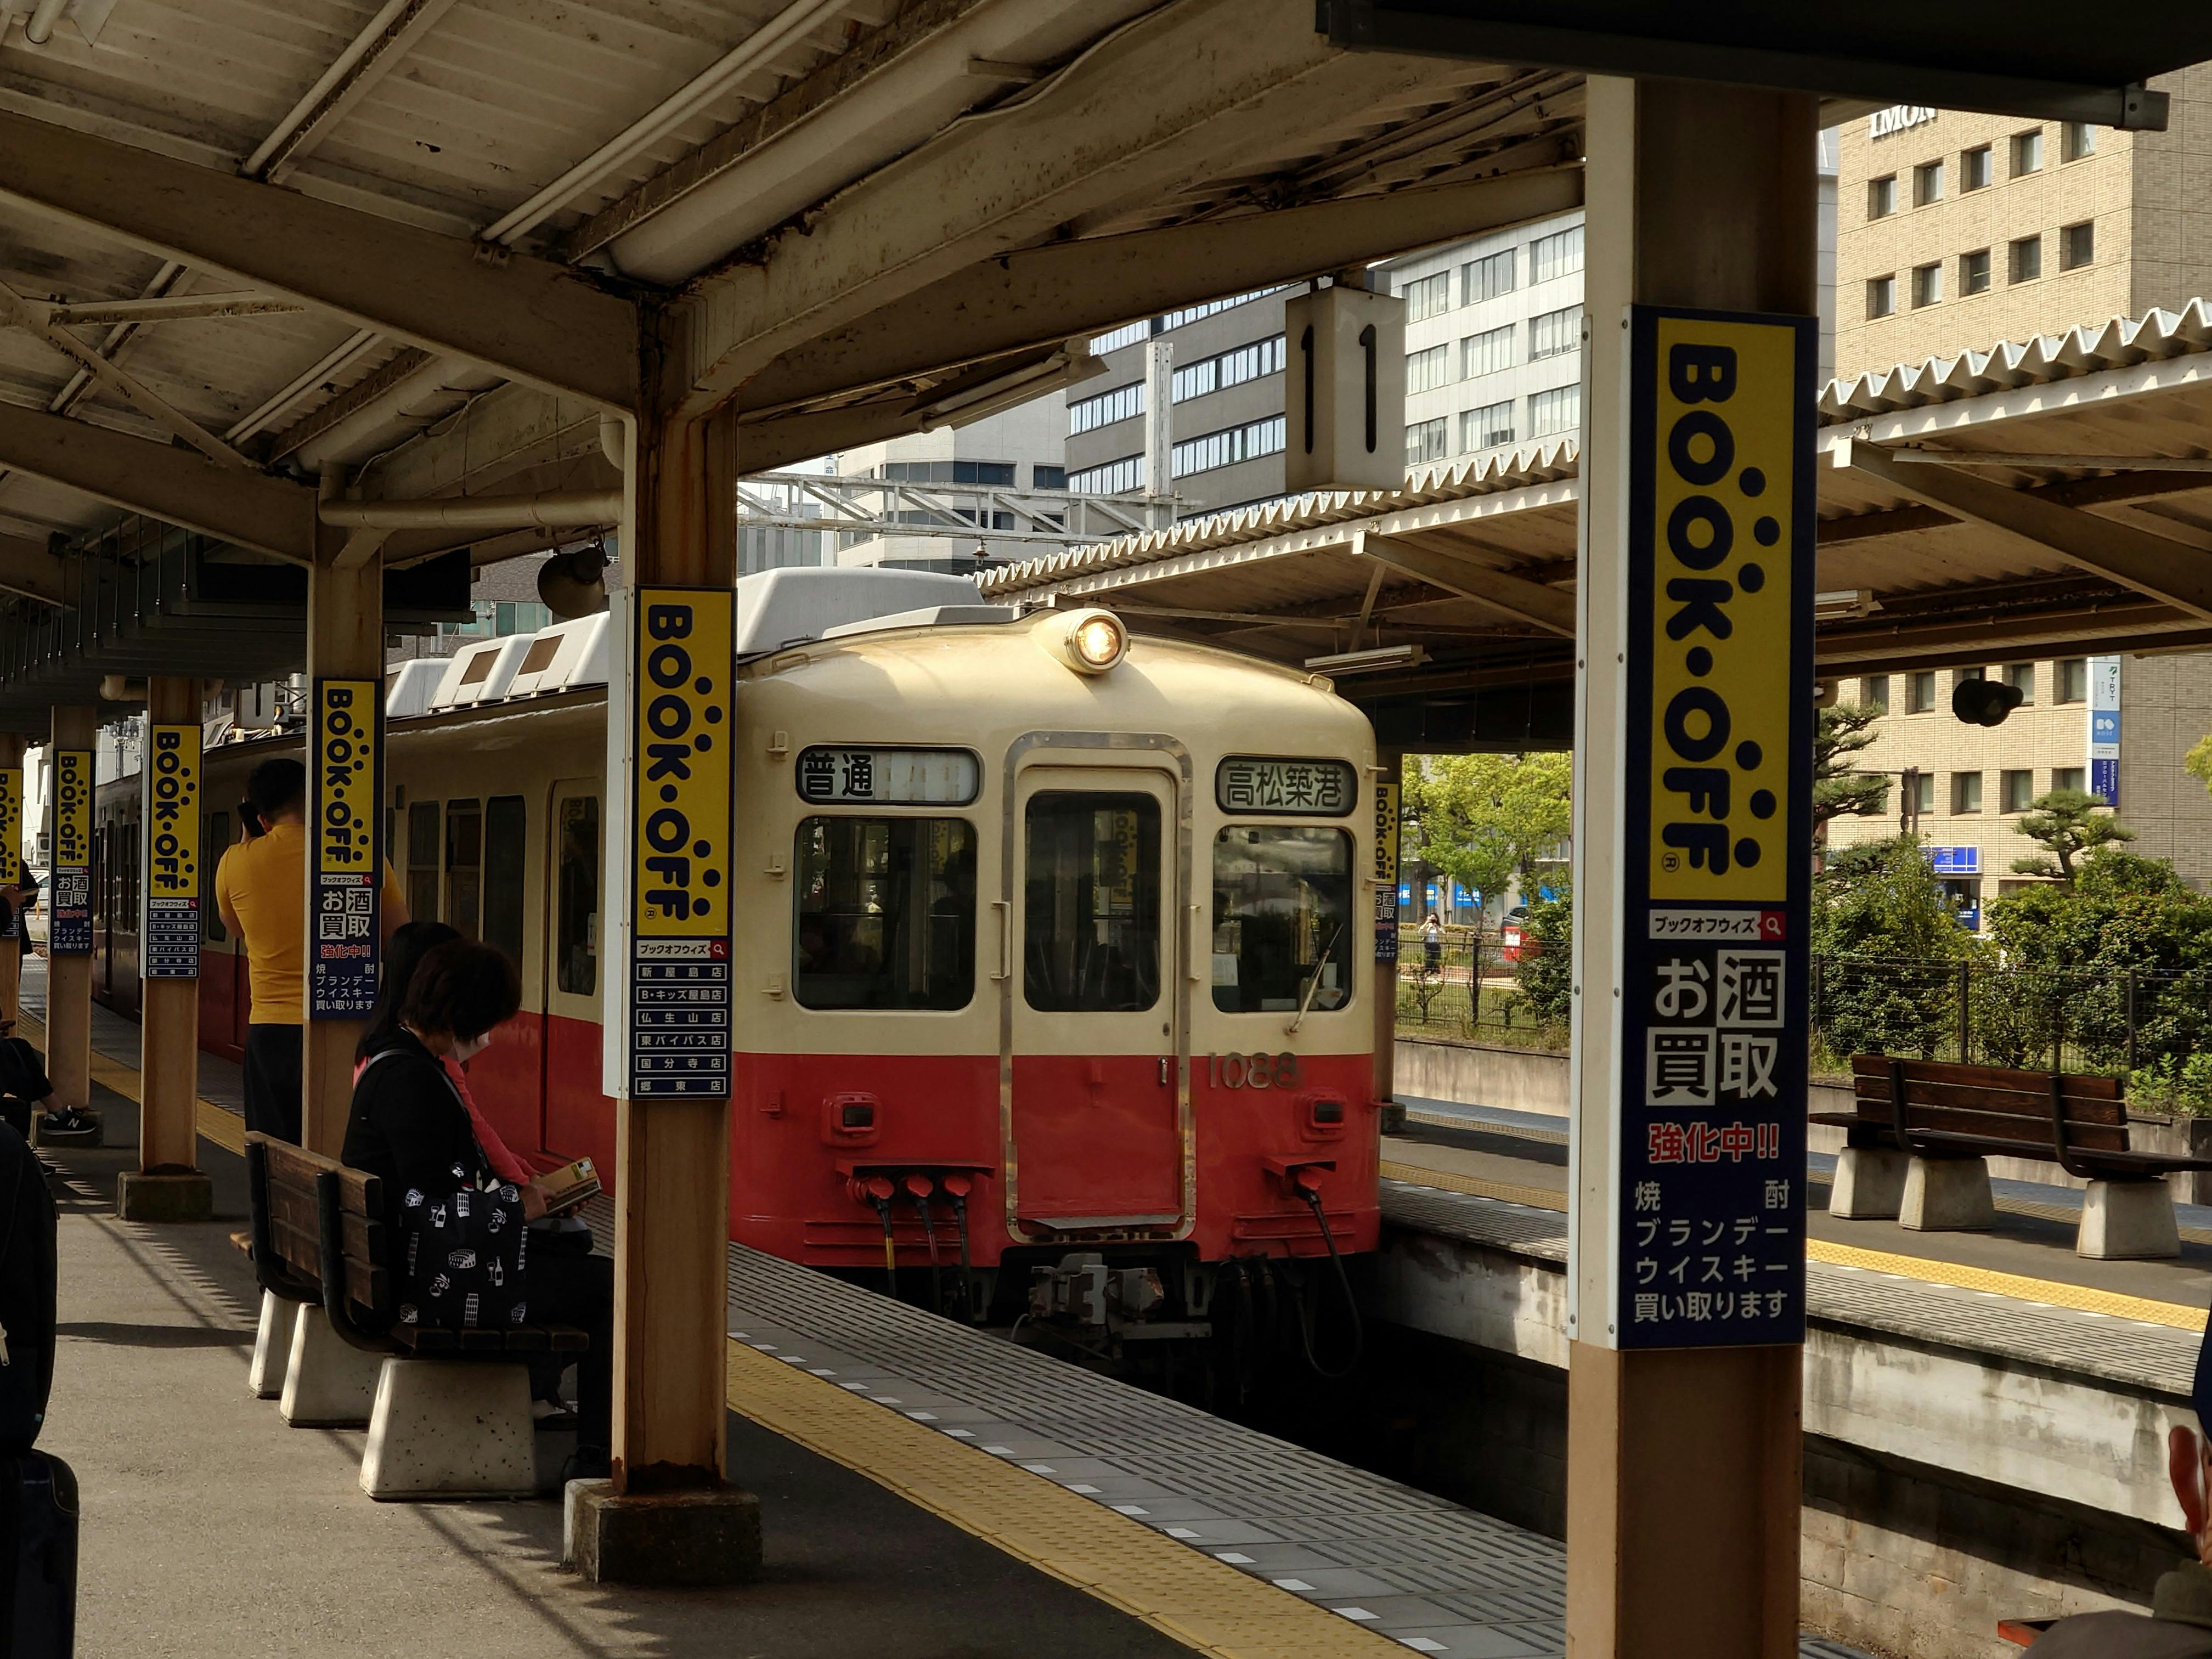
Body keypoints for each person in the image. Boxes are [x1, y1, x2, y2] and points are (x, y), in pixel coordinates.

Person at [342, 940, 612, 1480]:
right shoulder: (414, 1080)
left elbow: (427, 1191)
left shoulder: (396, 1059)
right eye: (489, 1019)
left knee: (576, 1259)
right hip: (430, 1286)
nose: (490, 1034)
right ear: (466, 1013)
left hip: (395, 1269)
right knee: (612, 1292)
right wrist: (521, 1205)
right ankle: (596, 1456)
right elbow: (438, 1212)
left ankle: (558, 1412)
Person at [215, 758, 408, 1143]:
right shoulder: (360, 853)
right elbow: (398, 937)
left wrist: (248, 838)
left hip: (271, 1028)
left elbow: (236, 929)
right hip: (348, 1023)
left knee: (272, 1146)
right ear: (317, 798)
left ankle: (274, 1207)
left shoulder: (235, 862)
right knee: (342, 1141)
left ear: (257, 812)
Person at [356, 921, 531, 1187]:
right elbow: (436, 1192)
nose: (484, 1036)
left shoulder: (388, 1051)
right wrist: (519, 1199)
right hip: (411, 1224)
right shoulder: (413, 1079)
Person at [1422, 912, 1443, 977]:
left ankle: (1435, 978)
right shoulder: (1427, 926)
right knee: (1428, 961)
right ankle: (1425, 976)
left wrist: (1437, 928)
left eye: (1434, 918)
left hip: (1436, 945)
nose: (1433, 920)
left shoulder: (1439, 926)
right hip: (1429, 945)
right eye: (1431, 918)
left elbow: (1443, 934)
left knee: (1436, 962)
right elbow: (1421, 932)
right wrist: (1427, 924)